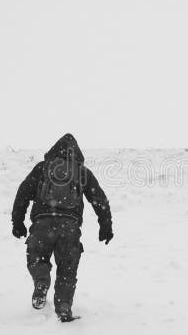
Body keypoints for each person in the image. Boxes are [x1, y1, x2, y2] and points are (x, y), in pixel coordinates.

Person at [11, 133, 113, 322]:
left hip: (42, 225)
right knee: (67, 268)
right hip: (69, 228)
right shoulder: (82, 172)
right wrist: (105, 226)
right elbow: (100, 199)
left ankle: (41, 280)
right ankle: (64, 306)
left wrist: (18, 222)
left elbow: (23, 193)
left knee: (37, 258)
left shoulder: (42, 168)